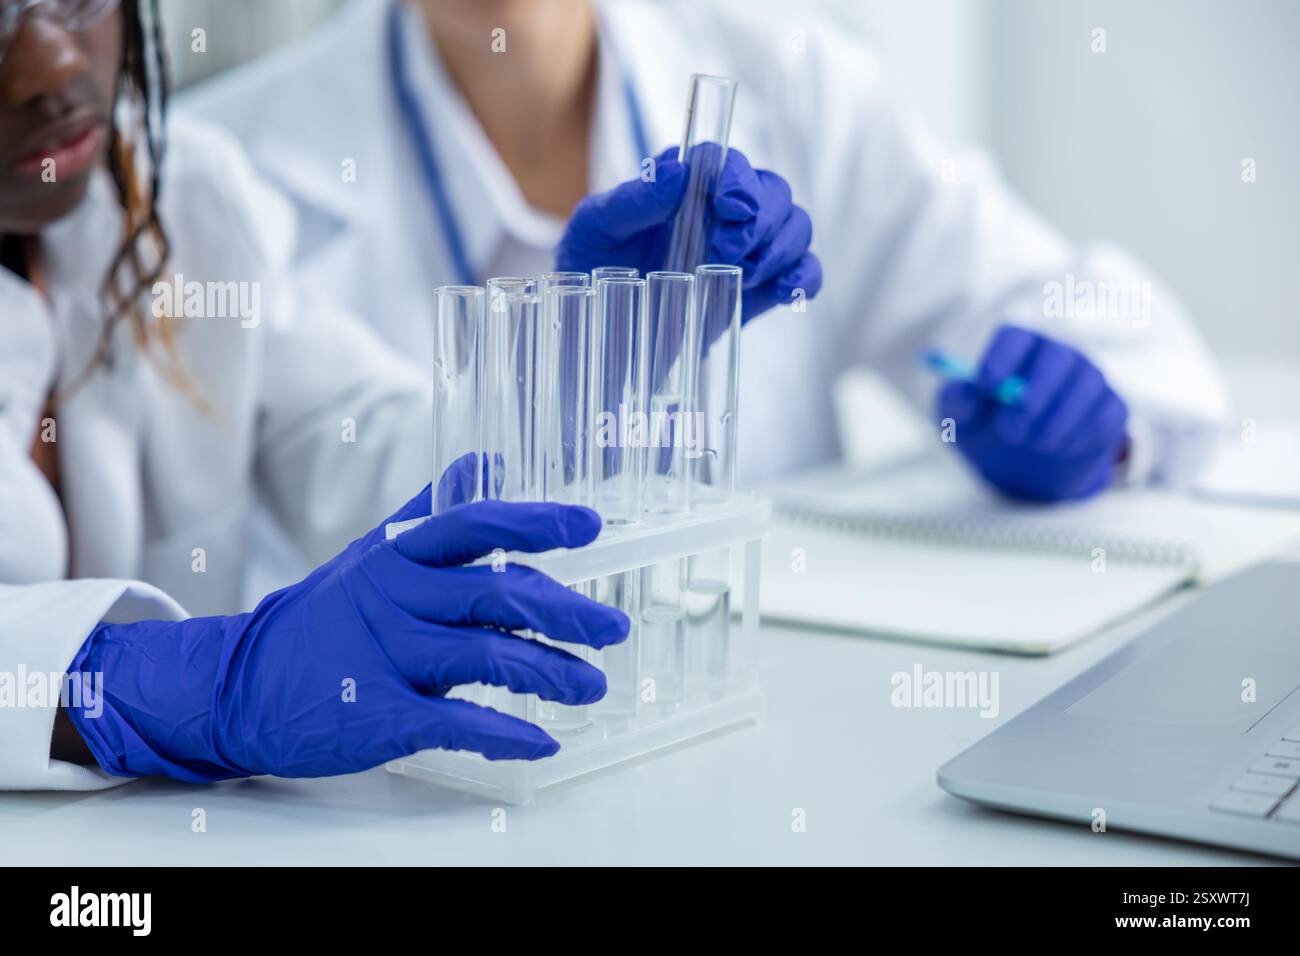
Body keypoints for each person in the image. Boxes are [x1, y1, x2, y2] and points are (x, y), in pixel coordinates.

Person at [184, 0, 1229, 512]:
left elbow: (1048, 297)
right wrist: (568, 378)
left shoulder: (780, 70)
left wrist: (1094, 419)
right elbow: (329, 528)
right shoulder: (222, 165)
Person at [0, 0, 651, 788]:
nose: (55, 63)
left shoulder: (175, 199)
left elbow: (362, 452)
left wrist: (583, 354)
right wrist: (165, 684)